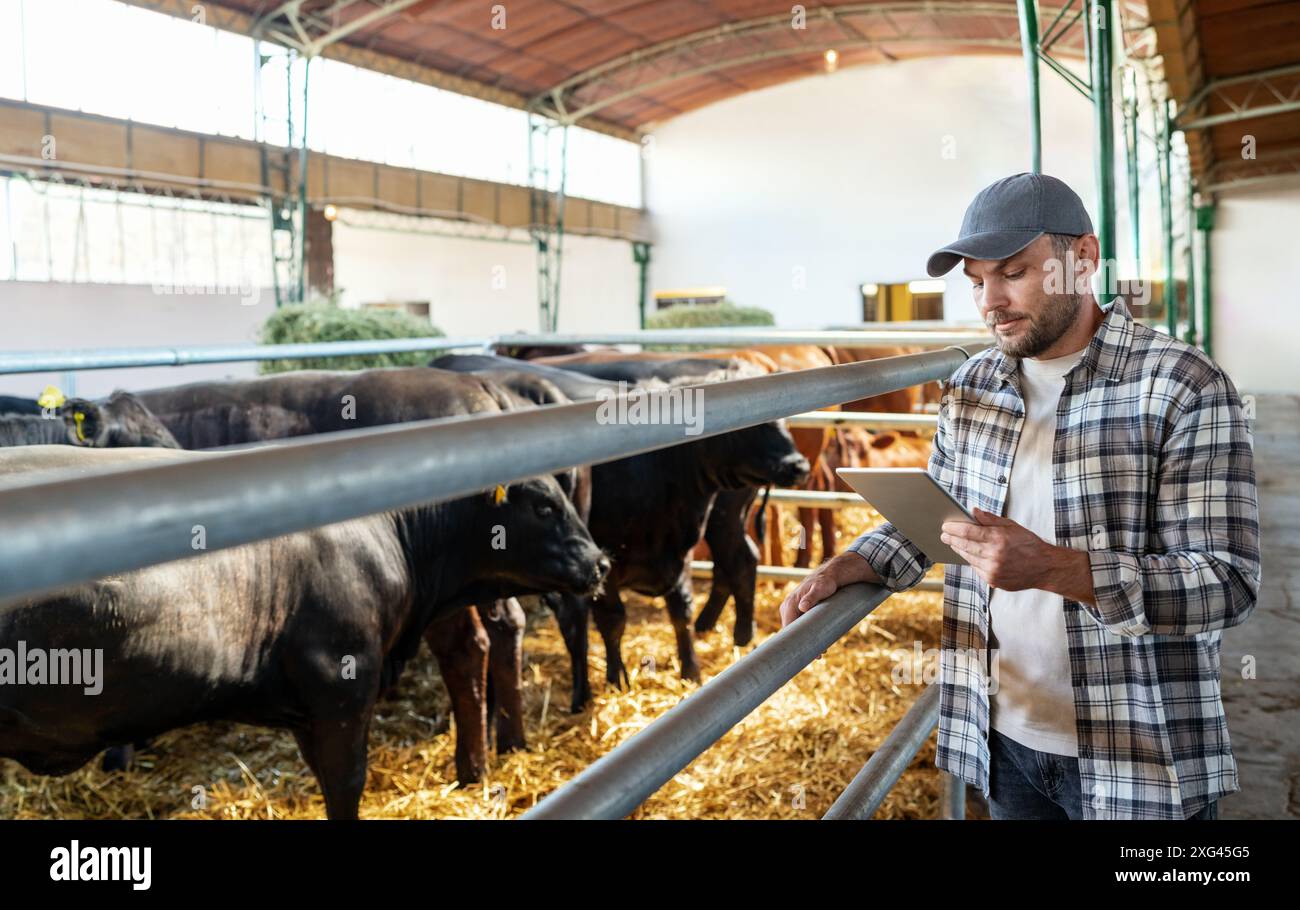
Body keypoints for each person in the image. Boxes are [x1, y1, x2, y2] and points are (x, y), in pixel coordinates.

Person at [779, 173, 1260, 820]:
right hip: (1003, 741)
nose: (990, 303)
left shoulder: (1181, 385)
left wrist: (1058, 569)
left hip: (1138, 751)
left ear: (1083, 260)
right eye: (976, 282)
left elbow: (1227, 582)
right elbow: (946, 512)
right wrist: (859, 561)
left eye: (1013, 273)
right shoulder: (975, 384)